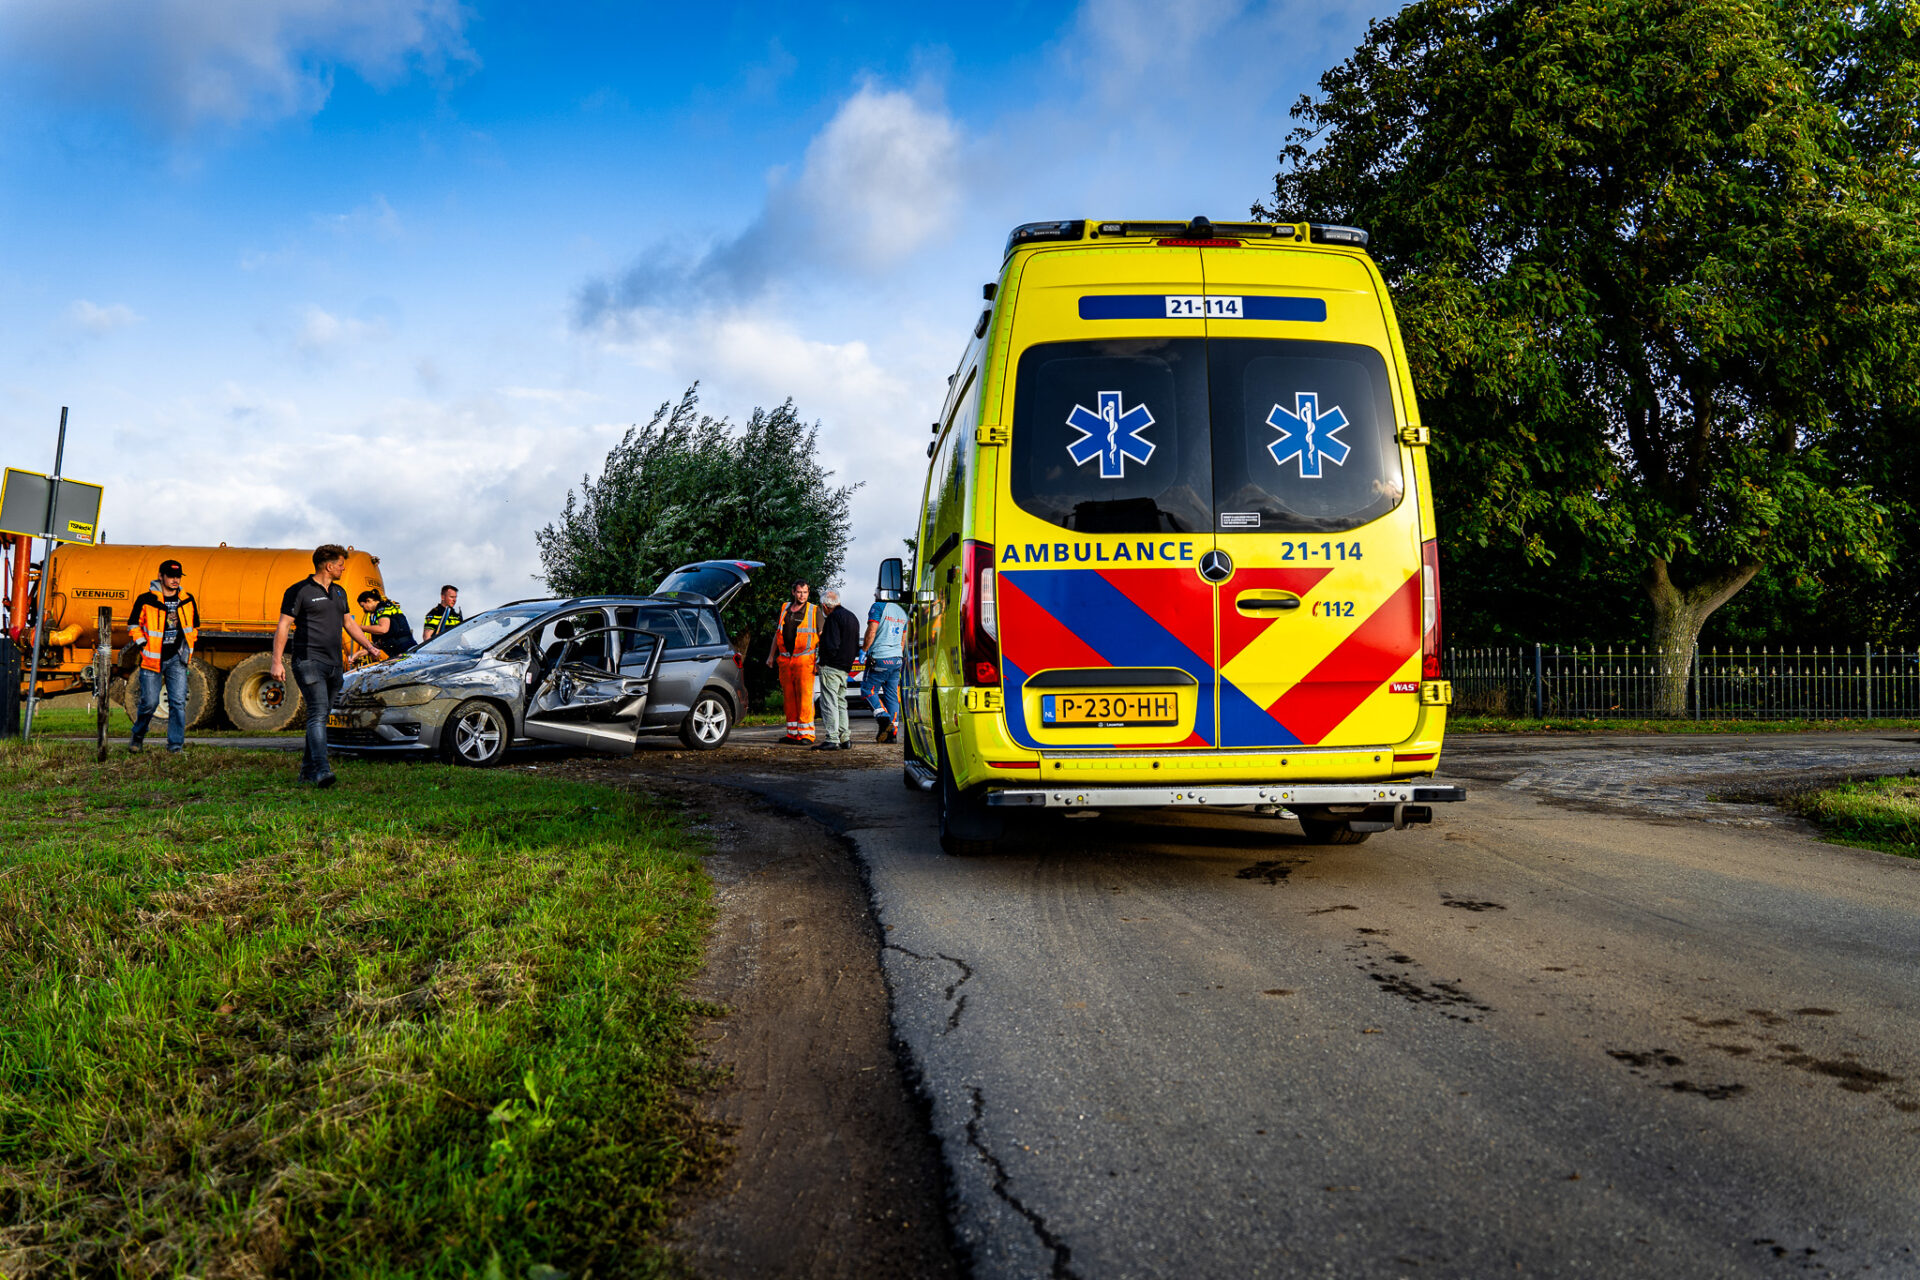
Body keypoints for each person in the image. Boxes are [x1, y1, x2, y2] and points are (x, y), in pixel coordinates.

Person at [271, 544, 384, 787]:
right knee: (317, 712)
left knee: (321, 717)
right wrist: (276, 661)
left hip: (334, 664)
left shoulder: (340, 592)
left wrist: (371, 647)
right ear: (328, 565)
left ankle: (306, 772)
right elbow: (283, 626)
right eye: (341, 564)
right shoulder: (298, 591)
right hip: (308, 660)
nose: (343, 568)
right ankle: (322, 770)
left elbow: (349, 624)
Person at [126, 558, 200, 753]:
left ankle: (175, 746)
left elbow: (194, 626)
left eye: (178, 576)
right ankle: (138, 735)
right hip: (152, 659)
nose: (175, 580)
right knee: (149, 703)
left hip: (177, 659)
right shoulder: (146, 600)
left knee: (178, 703)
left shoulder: (187, 599)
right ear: (161, 576)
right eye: (171, 576)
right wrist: (142, 642)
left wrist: (188, 646)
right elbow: (133, 625)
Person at [764, 579, 820, 744]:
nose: (802, 595)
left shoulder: (814, 610)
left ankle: (807, 734)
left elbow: (822, 636)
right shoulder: (785, 608)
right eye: (799, 592)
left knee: (805, 697)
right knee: (789, 698)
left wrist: (819, 660)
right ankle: (792, 733)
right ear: (793, 592)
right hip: (785, 659)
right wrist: (770, 656)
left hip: (805, 659)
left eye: (805, 592)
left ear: (808, 593)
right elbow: (778, 633)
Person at [815, 588, 861, 751]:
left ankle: (832, 738)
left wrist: (822, 662)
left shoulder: (833, 618)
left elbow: (831, 644)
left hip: (832, 667)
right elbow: (855, 645)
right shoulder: (852, 617)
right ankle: (845, 738)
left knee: (829, 703)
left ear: (825, 606)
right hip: (845, 667)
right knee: (841, 702)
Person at [863, 583, 908, 744]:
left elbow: (872, 630)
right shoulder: (902, 612)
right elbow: (903, 640)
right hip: (896, 659)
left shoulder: (878, 607)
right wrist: (898, 656)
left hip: (880, 657)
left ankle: (884, 718)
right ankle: (892, 733)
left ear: (878, 594)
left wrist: (864, 650)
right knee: (891, 695)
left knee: (868, 690)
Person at [356, 589, 417, 658]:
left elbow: (383, 629)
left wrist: (361, 628)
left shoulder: (383, 608)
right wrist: (356, 655)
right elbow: (378, 643)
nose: (364, 610)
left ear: (369, 600)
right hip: (396, 651)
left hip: (404, 648)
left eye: (363, 606)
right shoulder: (377, 613)